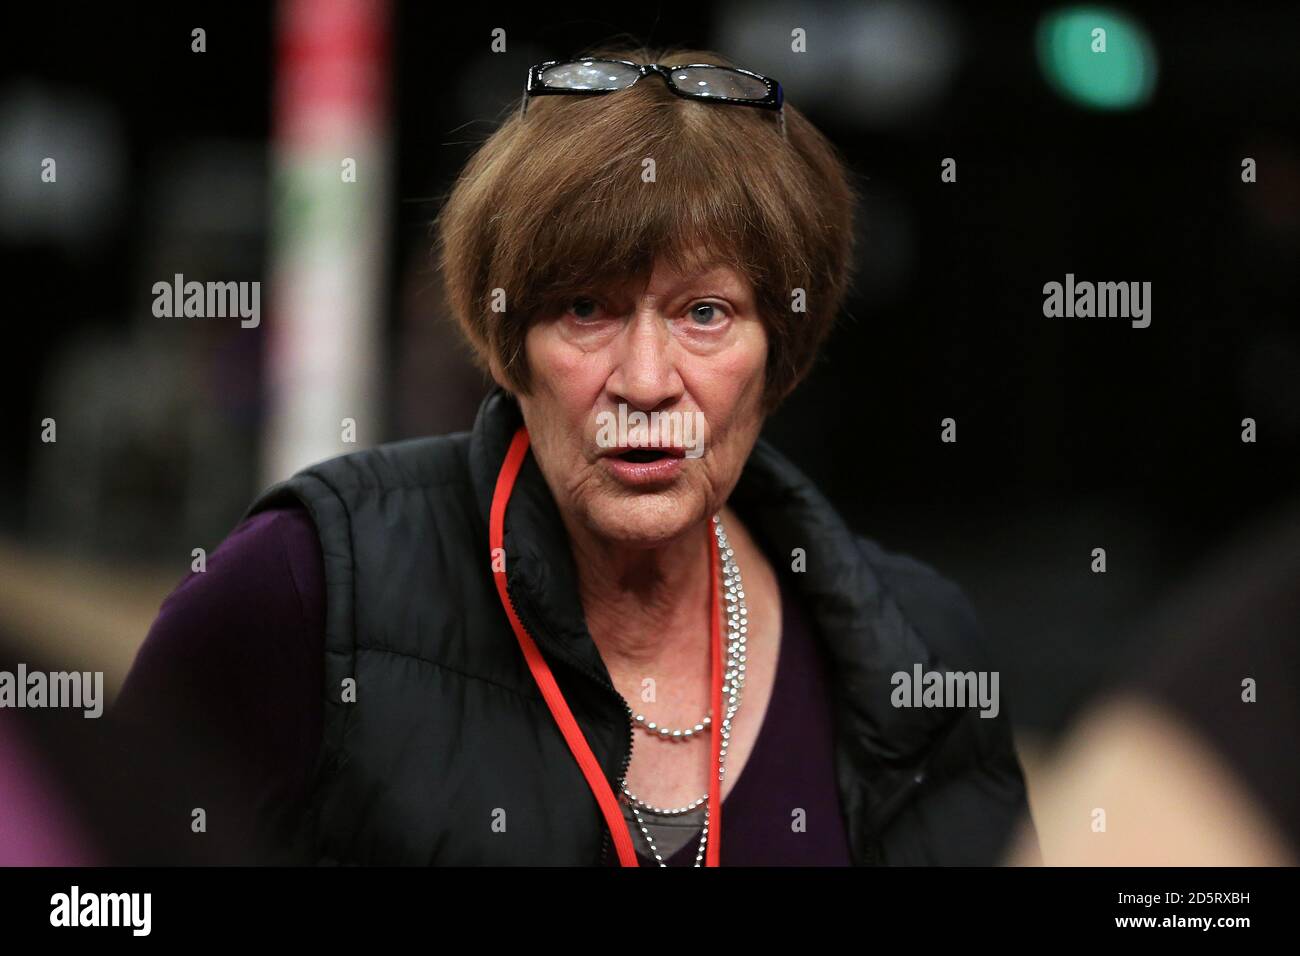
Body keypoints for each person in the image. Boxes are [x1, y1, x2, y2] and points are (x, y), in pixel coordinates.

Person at [116, 44, 1035, 866]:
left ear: (780, 355)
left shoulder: (914, 647)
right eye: (584, 310)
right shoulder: (305, 586)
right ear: (507, 344)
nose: (644, 380)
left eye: (704, 314)